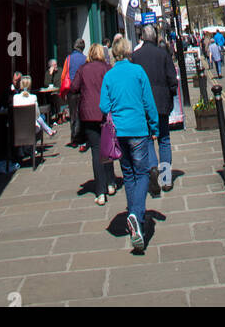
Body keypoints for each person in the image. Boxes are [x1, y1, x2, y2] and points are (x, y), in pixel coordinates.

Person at [100, 35, 159, 254]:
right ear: (128, 52)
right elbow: (149, 103)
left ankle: (134, 218)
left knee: (129, 175)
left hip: (119, 134)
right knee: (142, 173)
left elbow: (104, 105)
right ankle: (136, 215)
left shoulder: (109, 75)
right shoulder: (137, 72)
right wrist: (154, 126)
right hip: (138, 131)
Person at [133, 23, 178, 193]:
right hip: (161, 103)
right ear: (154, 37)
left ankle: (152, 168)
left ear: (143, 37)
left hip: (143, 105)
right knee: (164, 139)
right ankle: (166, 179)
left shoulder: (135, 57)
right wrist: (171, 94)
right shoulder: (163, 54)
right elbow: (172, 79)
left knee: (148, 139)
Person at [70, 44, 117, 205]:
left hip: (89, 115)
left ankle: (100, 191)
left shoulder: (83, 69)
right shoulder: (107, 68)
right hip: (105, 113)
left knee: (96, 151)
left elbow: (73, 87)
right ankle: (111, 182)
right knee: (108, 148)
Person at [11, 72, 55, 137]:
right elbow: (37, 114)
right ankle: (48, 130)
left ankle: (49, 130)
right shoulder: (33, 97)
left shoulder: (15, 97)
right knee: (41, 117)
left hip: (18, 127)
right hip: (31, 127)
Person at [63, 38, 87, 148]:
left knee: (73, 115)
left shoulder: (68, 58)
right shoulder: (85, 59)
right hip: (82, 89)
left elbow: (64, 75)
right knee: (82, 114)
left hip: (72, 90)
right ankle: (82, 137)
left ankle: (73, 139)